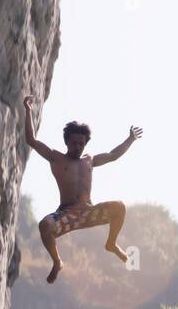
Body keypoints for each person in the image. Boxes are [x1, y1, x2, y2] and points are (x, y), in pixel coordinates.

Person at [23, 96, 143, 284]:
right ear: (66, 142)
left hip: (88, 211)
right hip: (66, 214)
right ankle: (57, 262)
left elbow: (113, 155)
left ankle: (111, 243)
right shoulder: (56, 158)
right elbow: (31, 140)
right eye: (73, 143)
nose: (77, 147)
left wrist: (130, 139)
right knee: (44, 226)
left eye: (81, 143)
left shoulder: (89, 160)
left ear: (85, 143)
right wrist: (28, 110)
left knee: (119, 207)